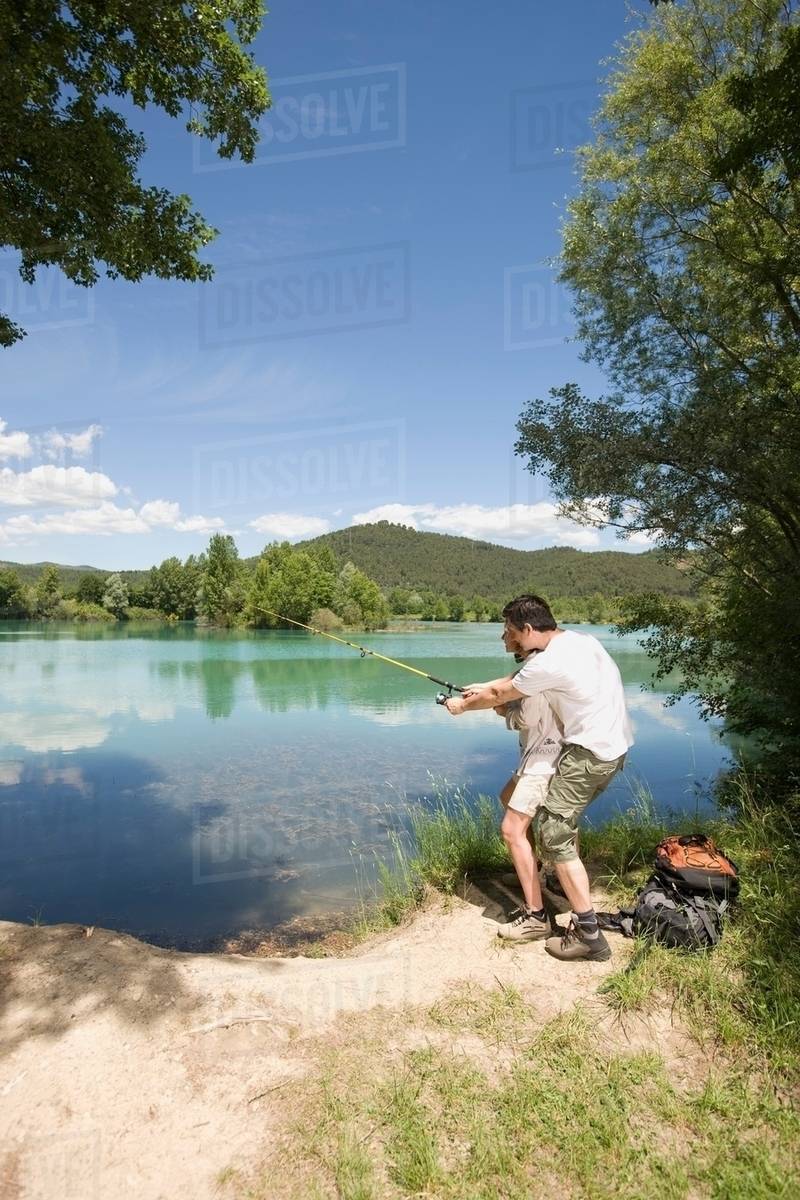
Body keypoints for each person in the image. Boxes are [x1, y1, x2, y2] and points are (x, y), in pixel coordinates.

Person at [446, 593, 633, 962]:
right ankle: (549, 879)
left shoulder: (547, 664)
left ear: (529, 630)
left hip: (586, 753)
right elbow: (509, 682)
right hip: (614, 748)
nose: (505, 636)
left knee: (552, 830)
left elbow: (507, 693)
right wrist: (483, 688)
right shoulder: (579, 641)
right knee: (548, 821)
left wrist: (463, 705)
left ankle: (578, 931)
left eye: (509, 630)